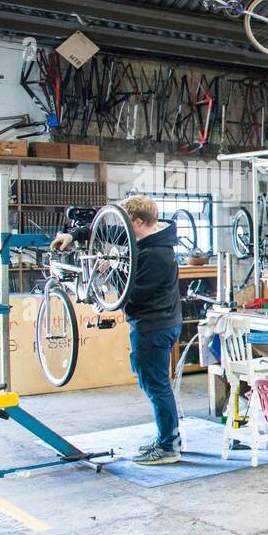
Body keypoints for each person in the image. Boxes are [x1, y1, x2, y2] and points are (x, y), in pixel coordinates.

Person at [53, 195, 183, 465]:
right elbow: (106, 231)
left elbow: (132, 295)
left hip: (154, 326)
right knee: (154, 383)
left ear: (137, 221)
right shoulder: (149, 241)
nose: (123, 229)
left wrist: (112, 269)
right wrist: (73, 235)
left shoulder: (157, 253)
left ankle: (168, 446)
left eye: (127, 222)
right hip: (157, 323)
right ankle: (167, 438)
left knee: (156, 386)